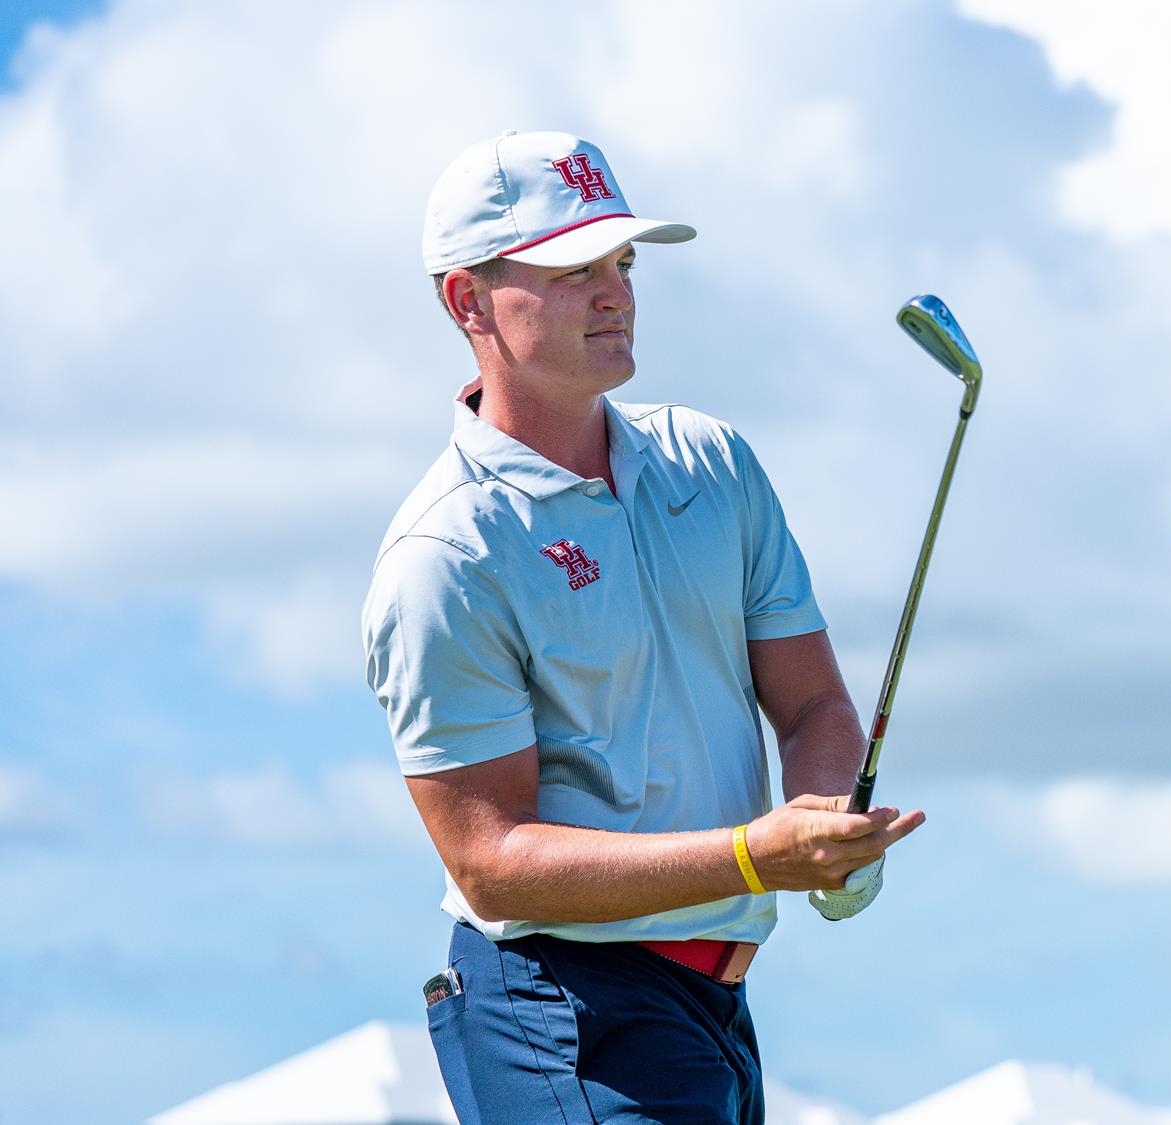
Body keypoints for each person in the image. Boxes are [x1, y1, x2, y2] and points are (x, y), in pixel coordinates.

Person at [361, 130, 924, 1125]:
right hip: (557, 1006)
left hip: (716, 1005)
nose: (615, 293)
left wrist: (824, 822)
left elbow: (811, 707)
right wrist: (756, 857)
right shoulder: (444, 553)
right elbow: (490, 864)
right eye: (572, 272)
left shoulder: (712, 462)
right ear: (467, 301)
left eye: (621, 262)